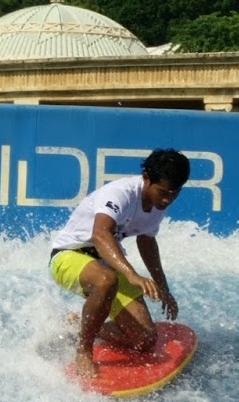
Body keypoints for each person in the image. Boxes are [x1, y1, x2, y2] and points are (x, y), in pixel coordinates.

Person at [48, 148, 190, 379]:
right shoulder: (120, 193)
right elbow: (101, 234)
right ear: (146, 178)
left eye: (174, 194)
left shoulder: (158, 204)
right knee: (107, 279)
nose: (167, 200)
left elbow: (147, 242)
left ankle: (79, 323)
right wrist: (132, 275)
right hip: (68, 255)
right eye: (163, 192)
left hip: (107, 263)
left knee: (144, 340)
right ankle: (84, 350)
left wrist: (163, 287)